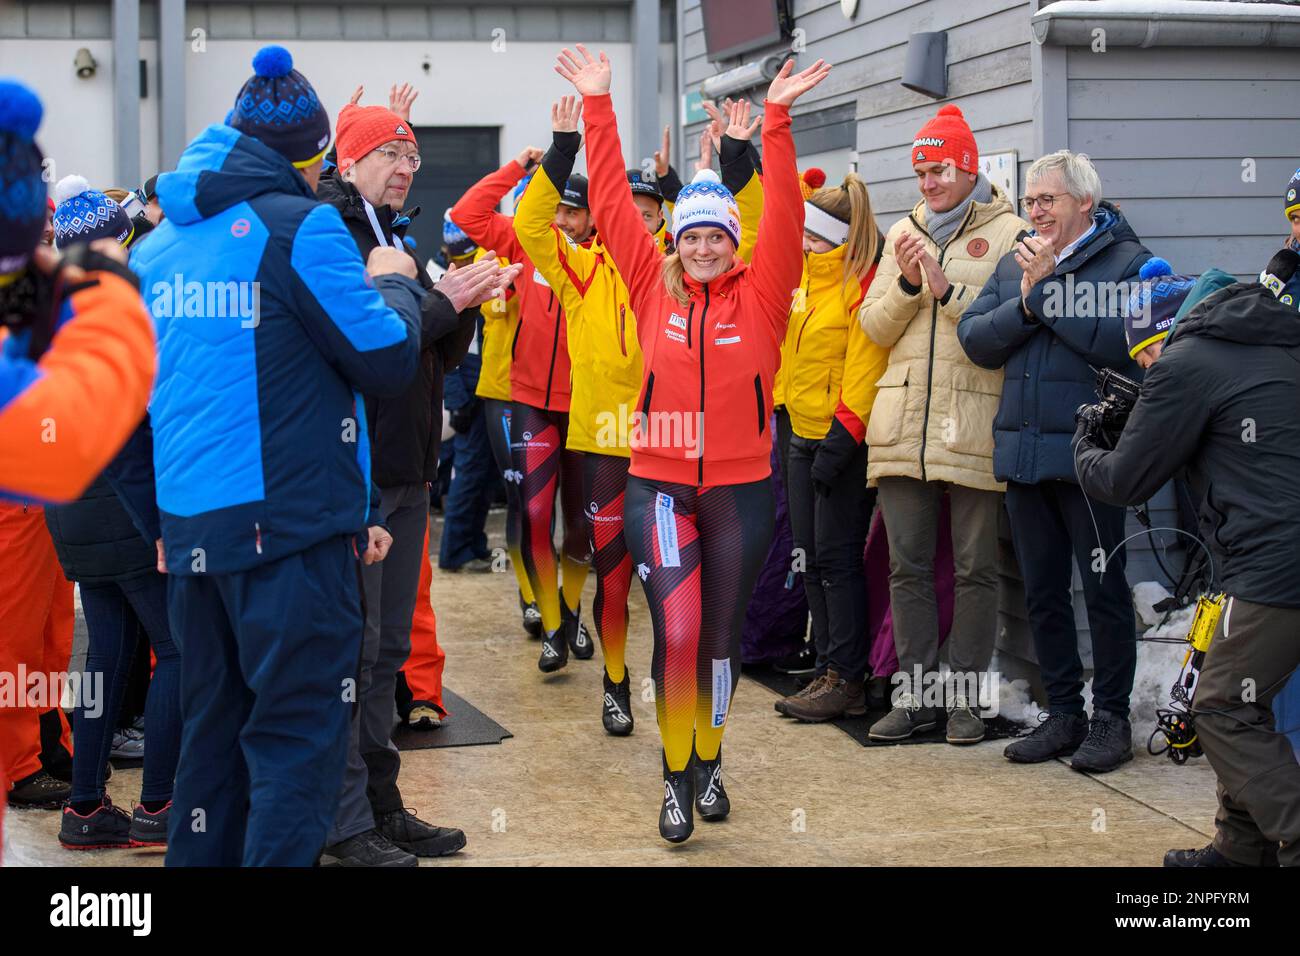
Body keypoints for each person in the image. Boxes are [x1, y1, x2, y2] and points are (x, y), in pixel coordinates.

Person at [127, 46, 431, 867]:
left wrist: (159, 526)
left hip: (196, 541)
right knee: (296, 744)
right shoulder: (302, 228)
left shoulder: (155, 248)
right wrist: (394, 282)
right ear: (309, 159)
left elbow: (122, 415)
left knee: (213, 745)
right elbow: (385, 360)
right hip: (289, 538)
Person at [556, 43, 830, 841]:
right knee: (676, 631)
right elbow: (612, 202)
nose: (703, 248)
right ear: (674, 239)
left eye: (716, 237)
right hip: (659, 488)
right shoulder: (648, 284)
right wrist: (597, 107)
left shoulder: (766, 294)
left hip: (740, 493)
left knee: (718, 643)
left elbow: (785, 214)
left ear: (734, 241)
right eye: (691, 236)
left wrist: (776, 124)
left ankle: (710, 756)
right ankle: (675, 778)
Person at [314, 88, 515, 866]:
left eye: (412, 156)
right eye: (390, 154)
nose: (406, 167)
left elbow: (420, 352)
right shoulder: (331, 234)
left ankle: (381, 802)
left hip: (404, 469)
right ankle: (341, 820)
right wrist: (437, 303)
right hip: (358, 474)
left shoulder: (389, 232)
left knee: (387, 649)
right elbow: (366, 349)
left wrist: (462, 304)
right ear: (348, 161)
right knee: (353, 654)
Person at [1073, 263, 1300, 867]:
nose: (1147, 372)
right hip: (1268, 554)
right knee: (1246, 696)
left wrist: (1085, 445)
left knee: (1221, 706)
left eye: (1146, 356)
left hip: (1273, 561)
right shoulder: (1270, 339)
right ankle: (1240, 846)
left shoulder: (1187, 362)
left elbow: (1125, 480)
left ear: (1167, 334)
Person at [957, 149, 1149, 768]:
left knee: (1104, 591)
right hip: (1024, 453)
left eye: (1048, 200)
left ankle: (1112, 719)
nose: (1035, 211)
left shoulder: (1130, 263)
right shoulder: (1018, 258)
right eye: (1030, 200)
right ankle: (1064, 713)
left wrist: (1047, 293)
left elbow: (1121, 345)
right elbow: (974, 339)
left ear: (1085, 202)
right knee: (1043, 592)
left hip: (1094, 460)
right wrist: (1026, 303)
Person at [0, 79, 155, 836]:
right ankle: (20, 761)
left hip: (53, 491)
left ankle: (56, 754)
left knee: (63, 634)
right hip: (32, 485)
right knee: (16, 629)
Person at [513, 95, 688, 721]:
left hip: (669, 443)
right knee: (611, 572)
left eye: (649, 215)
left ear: (662, 221)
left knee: (669, 586)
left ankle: (672, 693)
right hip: (606, 441)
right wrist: (563, 149)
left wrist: (681, 181)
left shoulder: (682, 272)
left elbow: (732, 236)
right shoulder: (582, 270)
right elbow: (530, 226)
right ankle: (615, 683)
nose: (636, 226)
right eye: (626, 215)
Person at [858, 103, 1027, 744]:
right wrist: (906, 285)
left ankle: (963, 701)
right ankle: (916, 698)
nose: (928, 183)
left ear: (969, 169)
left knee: (976, 568)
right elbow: (874, 327)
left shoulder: (1011, 233)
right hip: (904, 424)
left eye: (940, 171)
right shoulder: (903, 230)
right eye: (921, 172)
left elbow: (1009, 326)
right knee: (907, 567)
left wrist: (945, 291)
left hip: (974, 420)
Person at [449, 147, 591, 653]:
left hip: (585, 405)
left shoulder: (604, 255)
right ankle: (537, 604)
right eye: (555, 208)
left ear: (591, 217)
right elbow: (466, 214)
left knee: (579, 521)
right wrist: (517, 169)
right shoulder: (523, 239)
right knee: (529, 508)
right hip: (522, 397)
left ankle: (571, 613)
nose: (563, 220)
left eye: (574, 211)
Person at [773, 172, 888, 722]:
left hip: (840, 441)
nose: (805, 243)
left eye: (815, 236)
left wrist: (840, 442)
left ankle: (848, 678)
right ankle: (826, 666)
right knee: (811, 559)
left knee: (838, 562)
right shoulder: (808, 277)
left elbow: (864, 370)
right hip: (800, 432)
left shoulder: (859, 284)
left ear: (839, 237)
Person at [439, 214, 498, 574]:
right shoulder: (438, 276)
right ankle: (455, 551)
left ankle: (474, 544)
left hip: (483, 385)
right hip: (465, 390)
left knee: (484, 474)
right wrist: (456, 399)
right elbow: (442, 346)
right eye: (460, 256)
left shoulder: (473, 272)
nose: (465, 262)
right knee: (469, 472)